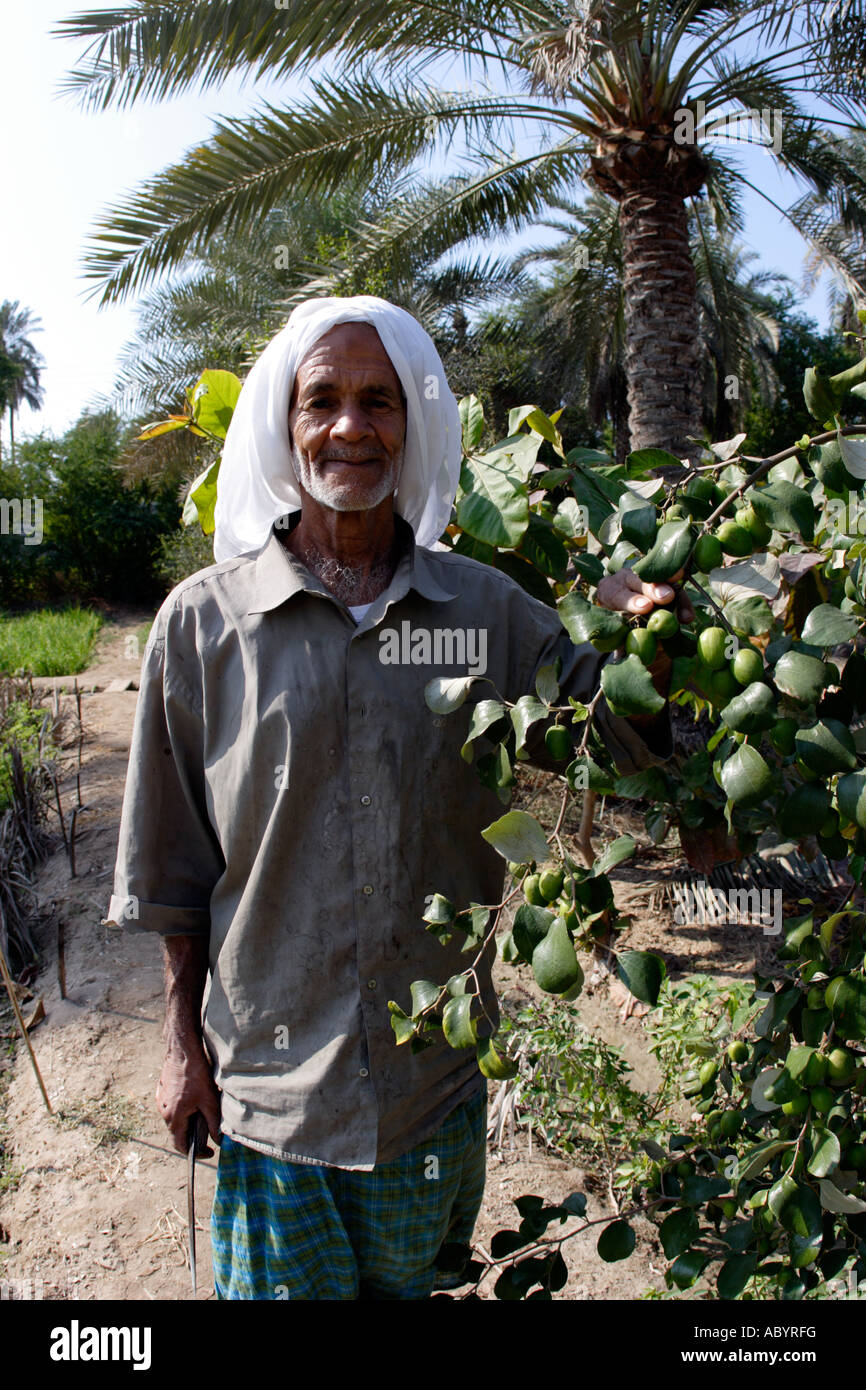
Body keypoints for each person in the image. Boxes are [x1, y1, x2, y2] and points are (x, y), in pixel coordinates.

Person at [106, 295, 688, 1300]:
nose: (349, 427)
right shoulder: (205, 627)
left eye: (378, 401)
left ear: (412, 425)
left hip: (431, 1096)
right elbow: (171, 870)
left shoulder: (485, 611)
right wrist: (178, 1049)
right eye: (320, 399)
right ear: (285, 429)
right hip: (271, 1107)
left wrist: (649, 628)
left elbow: (628, 742)